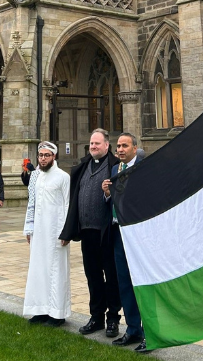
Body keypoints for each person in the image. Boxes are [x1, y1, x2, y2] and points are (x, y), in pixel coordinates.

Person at [60, 129, 121, 338]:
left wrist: (108, 194)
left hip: (107, 233)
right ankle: (96, 317)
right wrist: (68, 230)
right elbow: (74, 201)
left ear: (106, 145)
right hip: (87, 232)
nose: (93, 147)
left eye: (97, 143)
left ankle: (113, 319)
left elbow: (121, 199)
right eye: (91, 144)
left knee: (111, 277)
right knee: (93, 276)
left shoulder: (115, 167)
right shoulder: (83, 166)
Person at [103, 133, 150, 353]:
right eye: (118, 146)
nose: (120, 149)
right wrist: (107, 192)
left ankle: (150, 333)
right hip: (118, 232)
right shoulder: (115, 170)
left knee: (143, 283)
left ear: (135, 148)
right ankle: (133, 330)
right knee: (124, 282)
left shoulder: (144, 168)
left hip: (138, 234)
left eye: (125, 146)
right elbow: (116, 198)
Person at [23, 141, 72, 326]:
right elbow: (31, 204)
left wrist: (67, 232)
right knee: (39, 271)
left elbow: (68, 205)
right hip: (38, 233)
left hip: (57, 233)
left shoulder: (63, 177)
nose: (43, 158)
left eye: (47, 155)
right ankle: (40, 310)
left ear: (54, 157)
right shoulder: (36, 176)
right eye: (41, 155)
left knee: (57, 271)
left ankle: (57, 314)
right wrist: (29, 228)